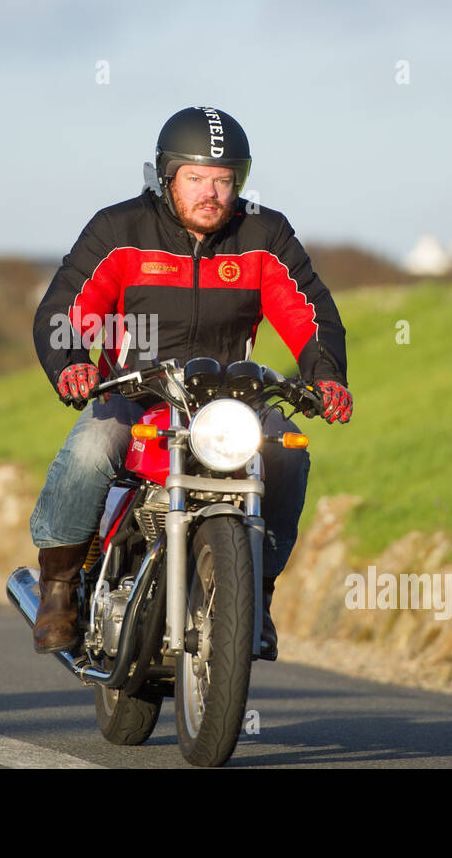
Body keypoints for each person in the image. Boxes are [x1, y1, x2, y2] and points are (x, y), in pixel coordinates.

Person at [28, 106, 352, 661]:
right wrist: (73, 362)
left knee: (287, 454)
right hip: (134, 394)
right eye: (197, 178)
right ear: (166, 175)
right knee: (91, 448)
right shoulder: (119, 228)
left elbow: (310, 311)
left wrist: (325, 377)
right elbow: (66, 307)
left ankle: (255, 594)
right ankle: (59, 589)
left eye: (225, 181)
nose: (213, 194)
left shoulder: (264, 233)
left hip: (229, 402)